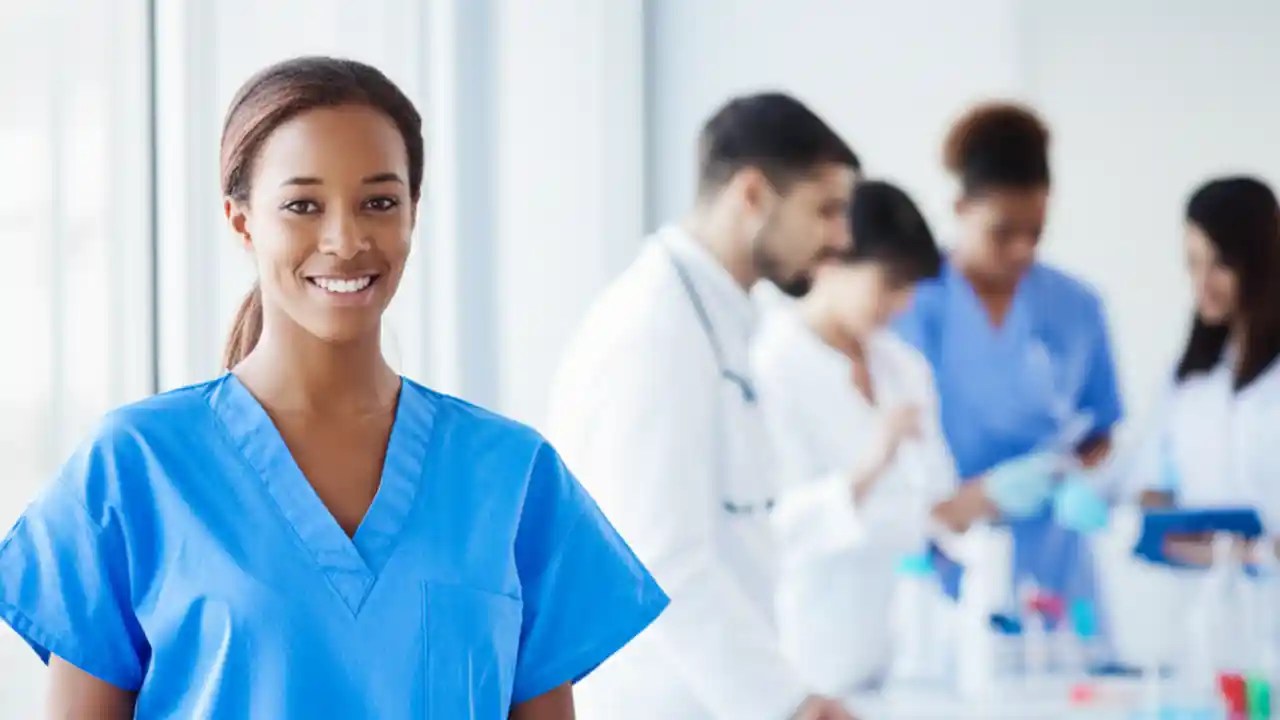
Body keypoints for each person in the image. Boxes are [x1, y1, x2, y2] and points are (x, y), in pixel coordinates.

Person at [0, 57, 668, 719]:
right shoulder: (134, 465)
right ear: (242, 221)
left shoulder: (511, 474)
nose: (346, 240)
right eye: (302, 205)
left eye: (379, 202)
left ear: (412, 214)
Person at [548, 93, 861, 720]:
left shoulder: (720, 321)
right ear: (752, 194)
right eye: (825, 209)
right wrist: (790, 703)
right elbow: (661, 560)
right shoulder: (654, 328)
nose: (841, 238)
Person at [754, 180, 998, 694]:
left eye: (910, 287)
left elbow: (936, 503)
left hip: (894, 656)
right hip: (803, 656)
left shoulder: (903, 369)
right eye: (890, 283)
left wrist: (986, 503)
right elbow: (776, 526)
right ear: (833, 262)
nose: (902, 304)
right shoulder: (772, 363)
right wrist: (873, 462)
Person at [893, 102, 1124, 617]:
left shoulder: (1076, 307)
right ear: (959, 208)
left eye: (1035, 231)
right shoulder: (912, 304)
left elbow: (1100, 429)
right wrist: (978, 499)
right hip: (945, 560)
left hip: (1054, 562)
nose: (1022, 249)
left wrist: (1070, 476)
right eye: (1002, 232)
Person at [1132, 176, 1280, 563]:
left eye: (1221, 265)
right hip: (1198, 606)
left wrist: (1243, 552)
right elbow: (1152, 481)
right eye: (1193, 264)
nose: (1202, 284)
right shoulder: (1188, 378)